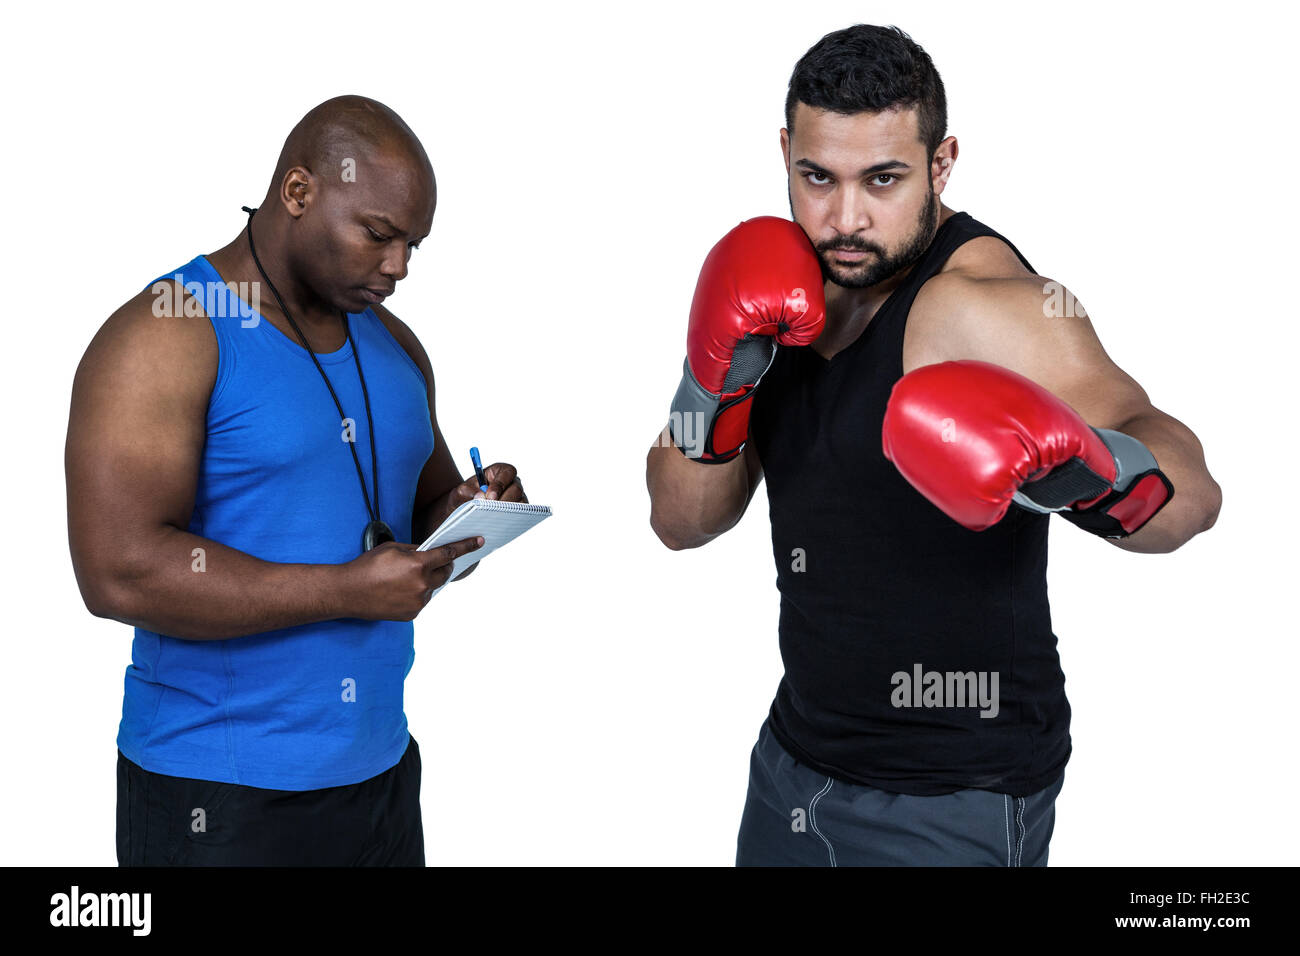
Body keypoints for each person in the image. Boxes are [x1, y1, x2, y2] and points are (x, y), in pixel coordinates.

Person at [645, 24, 1221, 866]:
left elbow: (1190, 497)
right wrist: (714, 388)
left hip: (957, 800)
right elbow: (680, 519)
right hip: (791, 767)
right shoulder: (776, 281)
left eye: (883, 180)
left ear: (941, 163)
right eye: (817, 177)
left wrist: (1089, 473)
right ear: (785, 153)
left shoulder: (982, 304)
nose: (844, 218)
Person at [66, 95, 527, 866]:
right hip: (214, 794)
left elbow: (412, 529)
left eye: (414, 244)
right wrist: (345, 589)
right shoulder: (168, 333)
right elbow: (117, 573)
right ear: (299, 193)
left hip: (380, 772)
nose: (397, 266)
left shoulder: (397, 347)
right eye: (378, 235)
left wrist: (468, 512)